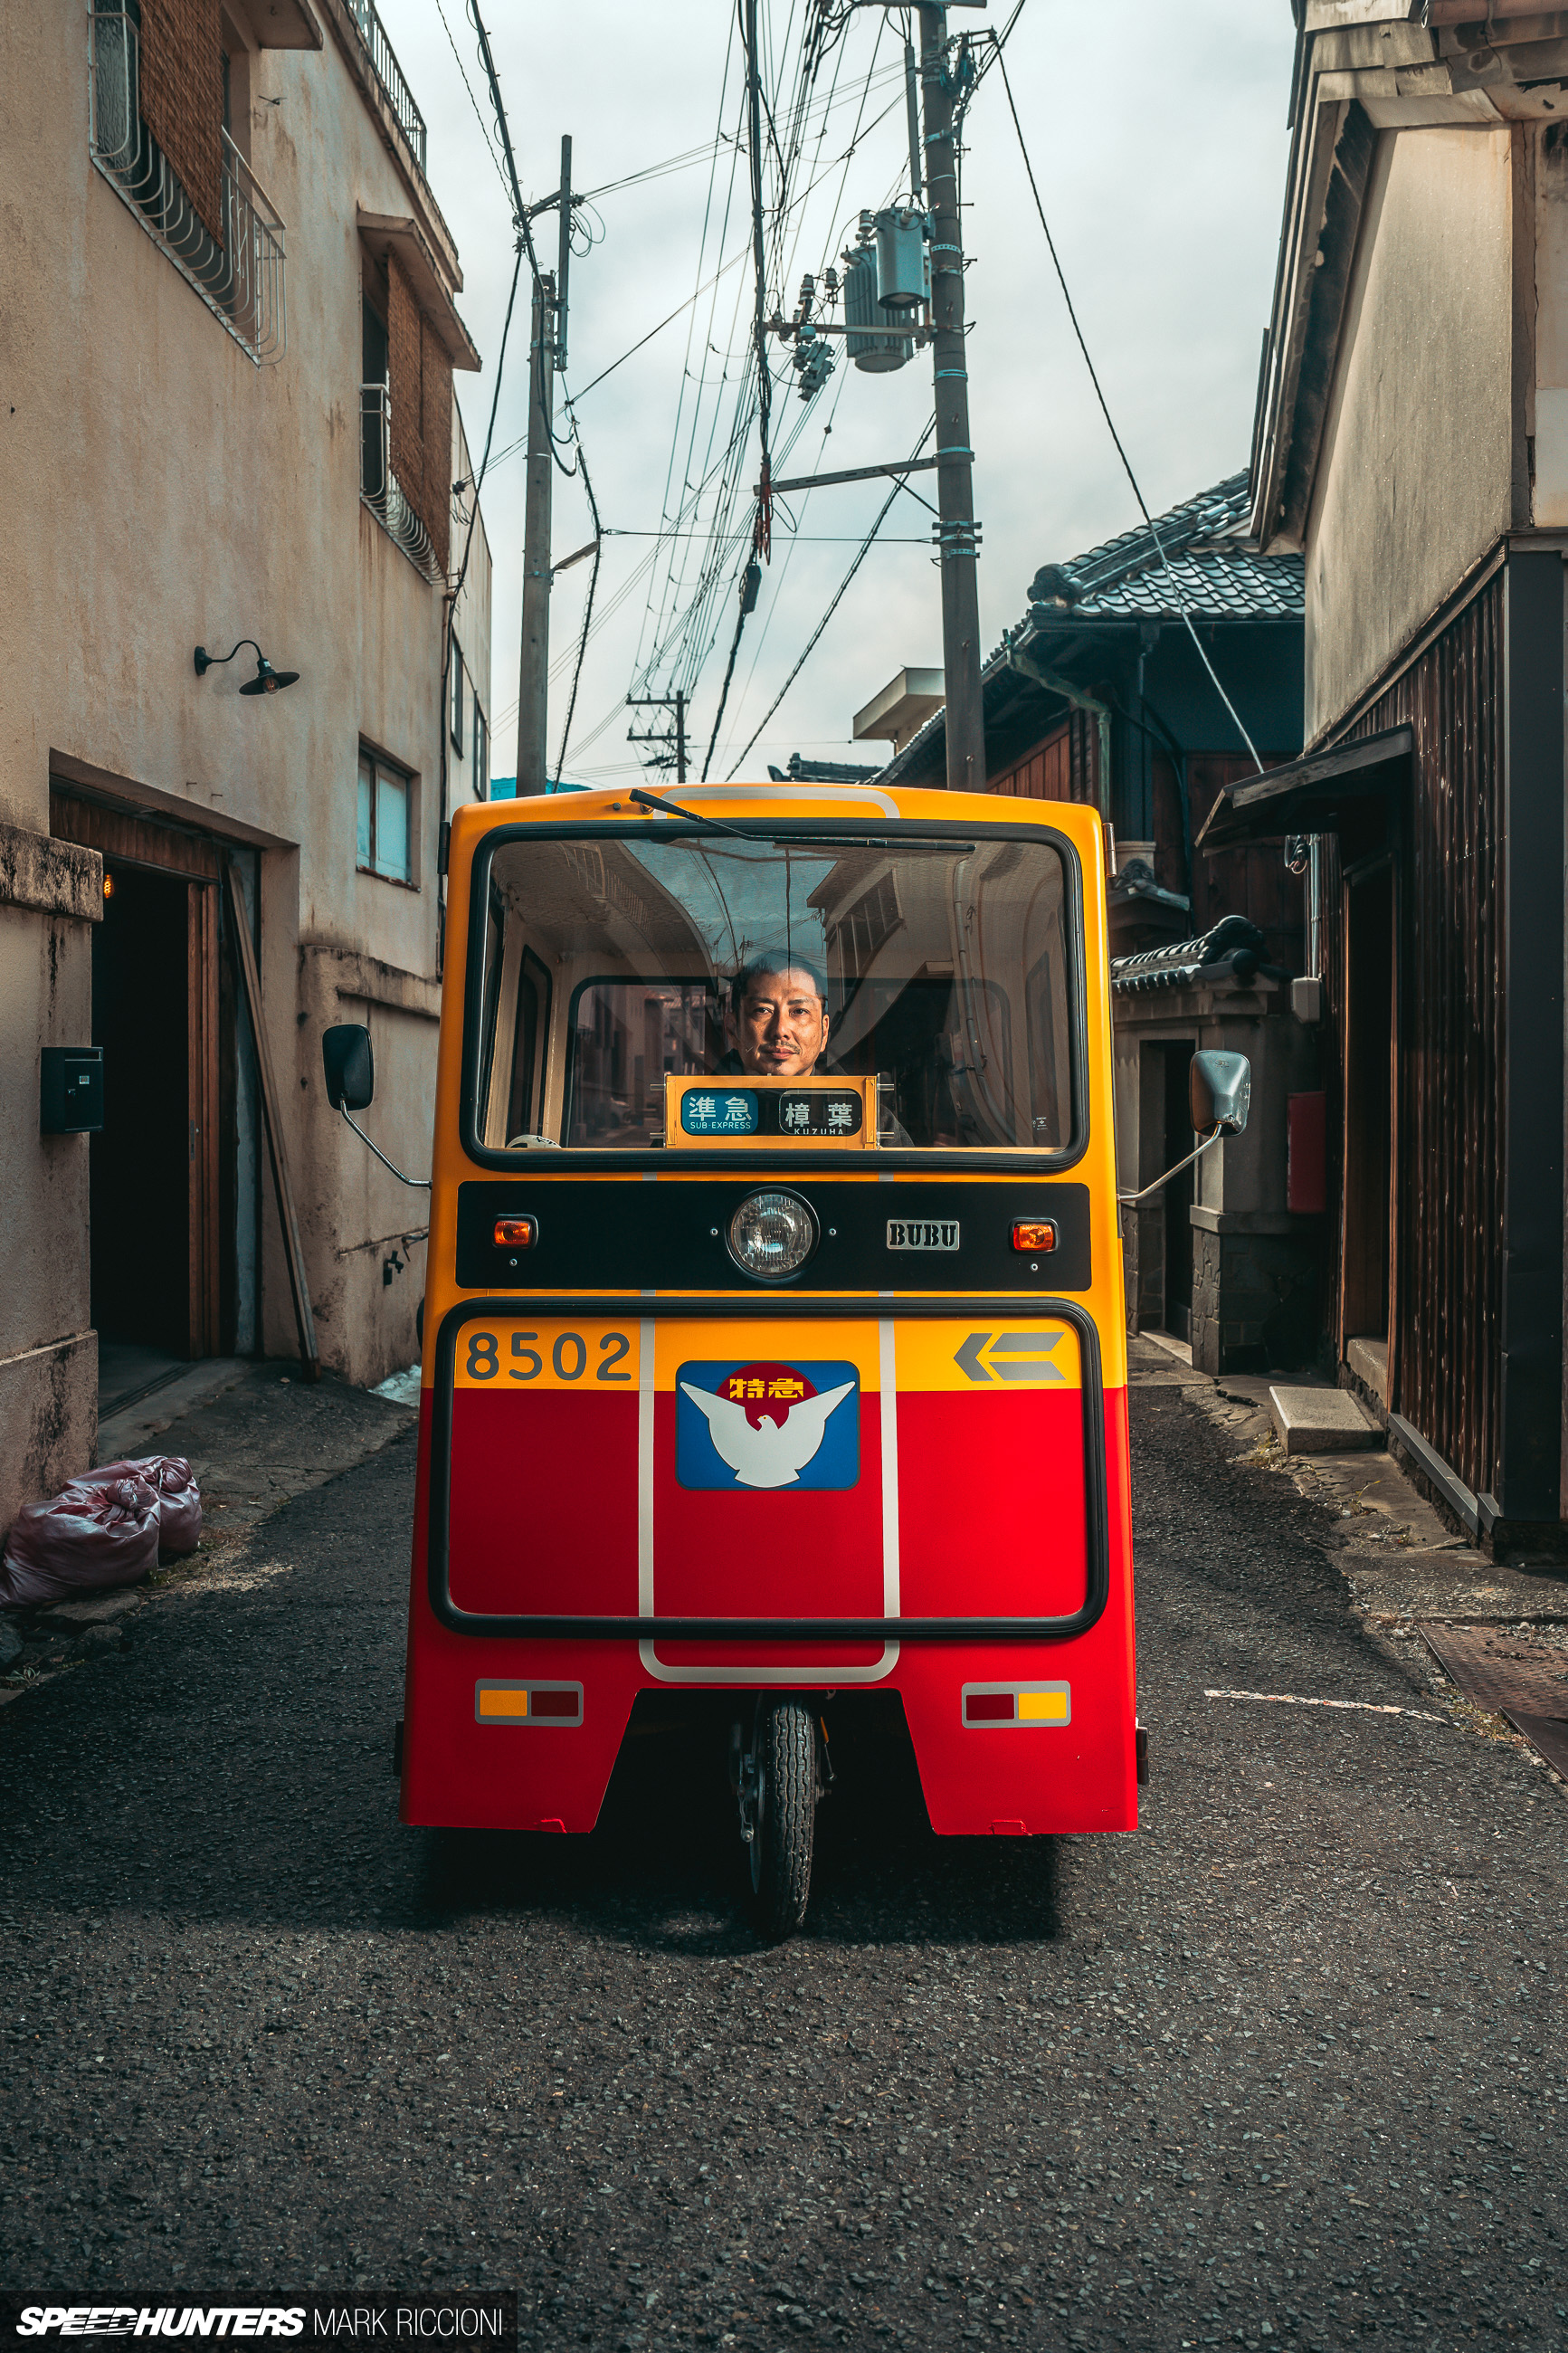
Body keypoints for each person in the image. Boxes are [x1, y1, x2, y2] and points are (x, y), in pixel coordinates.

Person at [723, 953, 832, 1077]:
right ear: (732, 1030)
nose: (780, 1031)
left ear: (824, 1032)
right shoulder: (706, 1088)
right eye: (763, 1010)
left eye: (799, 1011)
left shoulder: (848, 1088)